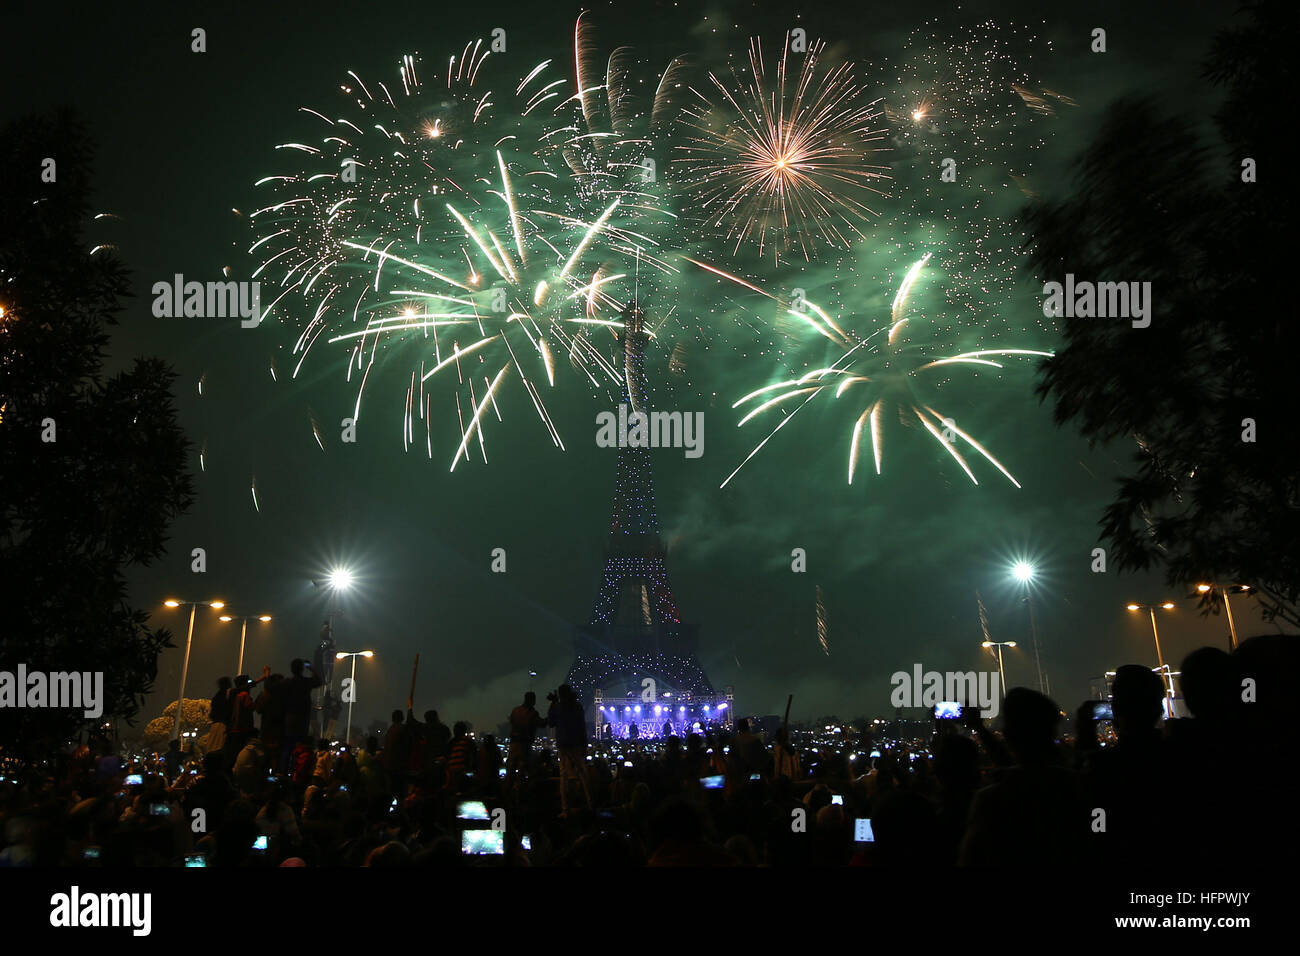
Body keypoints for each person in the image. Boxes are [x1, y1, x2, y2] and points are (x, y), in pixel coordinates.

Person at [547, 685, 592, 813]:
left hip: (564, 744)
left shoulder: (558, 707)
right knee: (583, 774)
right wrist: (584, 745)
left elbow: (551, 722)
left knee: (564, 776)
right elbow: (582, 727)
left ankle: (565, 808)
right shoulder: (577, 706)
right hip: (577, 743)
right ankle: (590, 804)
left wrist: (553, 703)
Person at [280, 659, 323, 773]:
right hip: (303, 717)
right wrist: (311, 668)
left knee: (288, 744)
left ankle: (283, 770)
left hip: (290, 715)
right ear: (302, 669)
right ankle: (297, 770)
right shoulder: (305, 682)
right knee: (301, 745)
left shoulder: (287, 682)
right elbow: (319, 680)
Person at [506, 692, 546, 795]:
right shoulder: (532, 713)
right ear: (532, 700)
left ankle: (507, 793)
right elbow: (542, 724)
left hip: (514, 744)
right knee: (522, 771)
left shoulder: (516, 711)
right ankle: (519, 795)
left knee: (510, 771)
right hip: (524, 745)